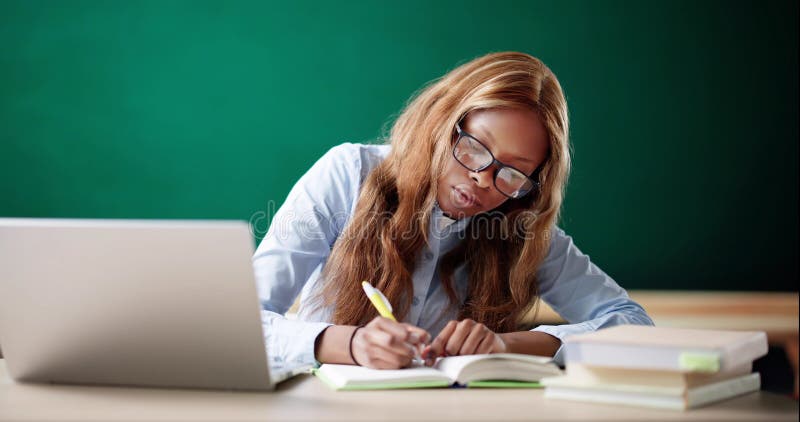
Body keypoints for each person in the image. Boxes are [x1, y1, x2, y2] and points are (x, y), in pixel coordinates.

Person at [252, 51, 653, 370]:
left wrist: (508, 345)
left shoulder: (520, 226)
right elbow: (242, 324)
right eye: (475, 148)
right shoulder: (348, 175)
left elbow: (632, 325)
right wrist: (349, 343)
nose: (482, 179)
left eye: (512, 173)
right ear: (442, 122)